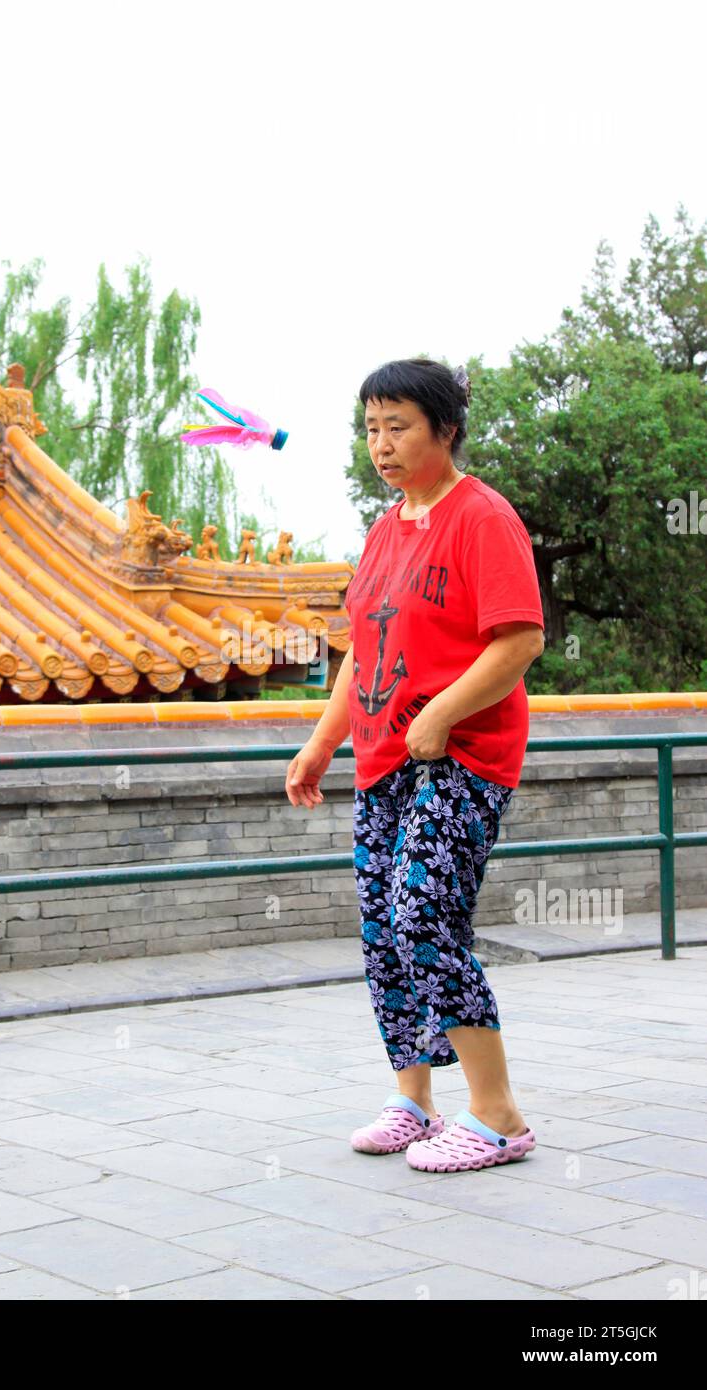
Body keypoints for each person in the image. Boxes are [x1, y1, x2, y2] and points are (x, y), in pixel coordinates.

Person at [284, 357, 546, 1173]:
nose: (382, 444)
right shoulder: (386, 527)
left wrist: (439, 713)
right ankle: (416, 1101)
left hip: (461, 757)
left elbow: (521, 640)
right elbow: (365, 650)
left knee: (426, 913)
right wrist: (322, 740)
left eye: (398, 426)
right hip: (382, 762)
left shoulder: (482, 517)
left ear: (445, 429)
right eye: (371, 428)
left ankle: (498, 1116)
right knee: (384, 928)